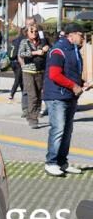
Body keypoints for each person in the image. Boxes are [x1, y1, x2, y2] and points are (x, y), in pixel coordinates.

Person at [44, 24, 91, 176]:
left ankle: (62, 162)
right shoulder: (58, 50)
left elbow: (71, 73)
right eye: (81, 34)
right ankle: (51, 163)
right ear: (71, 35)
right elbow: (54, 74)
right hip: (57, 95)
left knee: (67, 131)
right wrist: (73, 86)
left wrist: (83, 84)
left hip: (69, 95)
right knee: (58, 129)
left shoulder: (74, 50)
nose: (83, 37)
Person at [18, 20, 48, 129]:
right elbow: (21, 53)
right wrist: (35, 52)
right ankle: (32, 118)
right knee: (32, 96)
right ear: (27, 32)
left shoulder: (41, 42)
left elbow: (48, 53)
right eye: (32, 31)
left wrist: (46, 49)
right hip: (28, 72)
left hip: (40, 71)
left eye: (36, 31)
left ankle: (35, 114)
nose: (34, 33)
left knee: (39, 95)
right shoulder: (24, 42)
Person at [9, 26, 26, 101]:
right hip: (19, 61)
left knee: (20, 79)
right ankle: (11, 94)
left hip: (12, 62)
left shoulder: (14, 40)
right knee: (18, 79)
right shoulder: (23, 40)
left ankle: (24, 95)